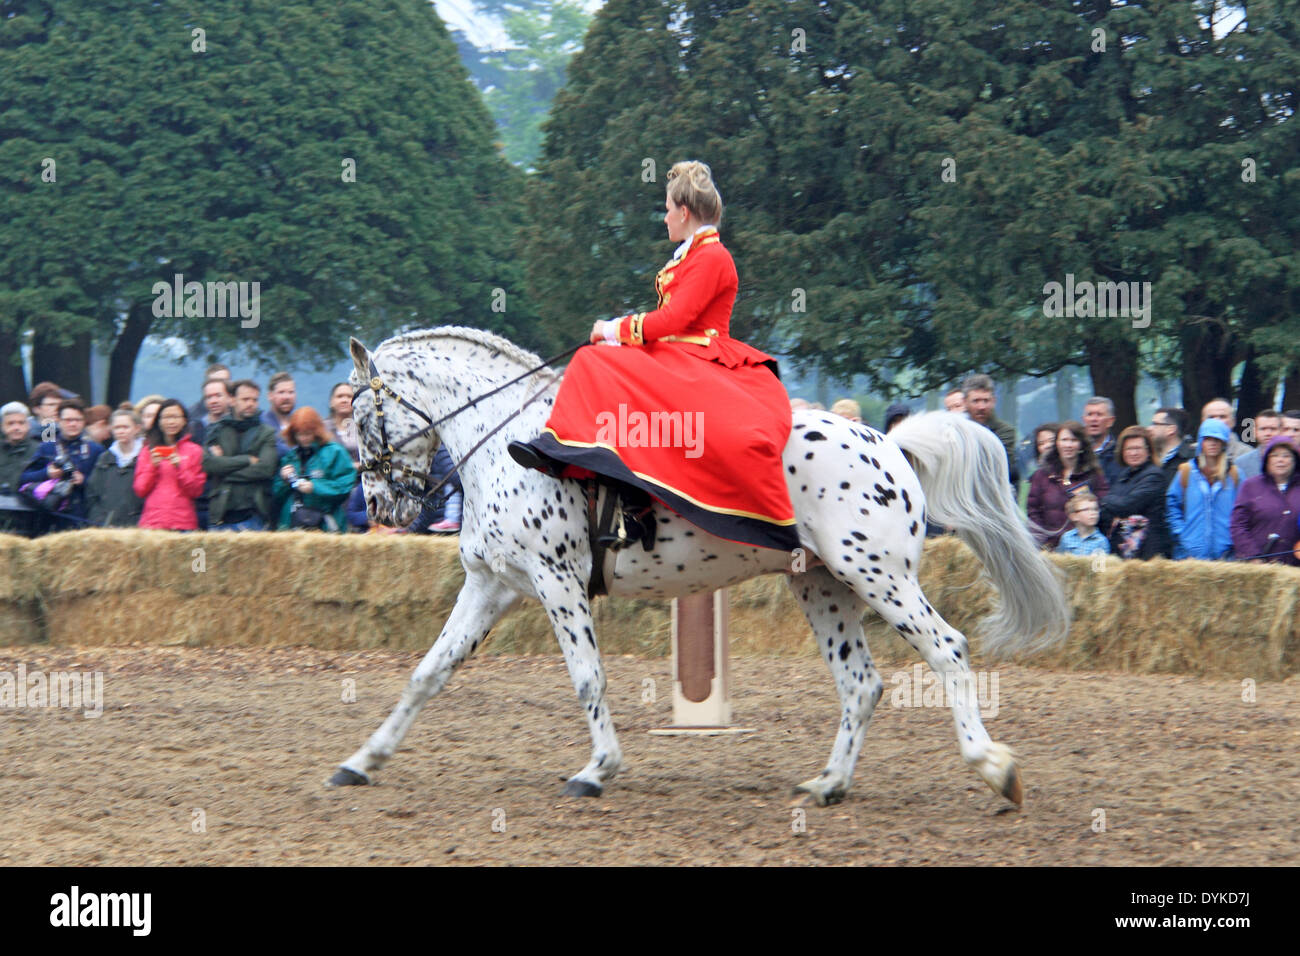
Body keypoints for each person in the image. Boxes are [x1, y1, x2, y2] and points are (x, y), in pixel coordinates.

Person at [507, 161, 798, 552]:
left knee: (594, 360)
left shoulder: (713, 257)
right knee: (602, 361)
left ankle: (560, 449)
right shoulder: (693, 254)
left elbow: (675, 319)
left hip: (698, 359)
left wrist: (612, 329)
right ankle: (630, 497)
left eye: (667, 209)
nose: (664, 218)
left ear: (684, 212)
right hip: (676, 355)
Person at [203, 379, 279, 531]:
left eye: (254, 400)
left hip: (253, 512)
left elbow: (265, 469)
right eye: (245, 399)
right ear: (232, 400)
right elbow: (208, 464)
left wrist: (224, 470)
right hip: (220, 512)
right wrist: (247, 460)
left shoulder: (266, 432)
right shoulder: (216, 431)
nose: (250, 404)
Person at [19, 399, 104, 529]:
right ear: (58, 420)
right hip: (51, 519)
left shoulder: (95, 450)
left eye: (78, 420)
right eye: (68, 420)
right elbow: (24, 478)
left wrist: (83, 481)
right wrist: (47, 473)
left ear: (84, 422)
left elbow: (105, 486)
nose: (73, 424)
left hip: (83, 518)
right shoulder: (47, 447)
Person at [270, 407, 357, 532]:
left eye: (307, 433)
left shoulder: (334, 452)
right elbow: (277, 494)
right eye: (299, 434)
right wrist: (283, 480)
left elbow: (345, 486)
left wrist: (315, 487)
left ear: (317, 431)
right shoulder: (290, 457)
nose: (303, 438)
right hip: (292, 523)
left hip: (326, 523)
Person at [1026, 420, 1108, 548]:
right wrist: (1042, 540)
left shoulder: (1093, 475)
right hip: (1048, 546)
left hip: (1084, 547)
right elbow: (1033, 510)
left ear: (1081, 444)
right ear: (1057, 443)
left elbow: (1102, 506)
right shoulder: (1041, 475)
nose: (1068, 445)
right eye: (1064, 440)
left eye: (1073, 440)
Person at [1166, 419, 1240, 560]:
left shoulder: (1235, 474)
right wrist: (1182, 535)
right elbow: (1172, 506)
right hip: (1190, 557)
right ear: (1201, 442)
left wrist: (1233, 541)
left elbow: (1243, 512)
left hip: (1227, 557)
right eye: (1208, 439)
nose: (1213, 443)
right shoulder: (1186, 471)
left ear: (1224, 443)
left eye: (1217, 439)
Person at [1099, 425, 1170, 559]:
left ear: (1148, 451)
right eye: (1129, 449)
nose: (1133, 453)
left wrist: (1104, 500)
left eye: (1138, 448)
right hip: (1124, 547)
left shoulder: (1154, 475)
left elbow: (1126, 506)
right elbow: (1111, 508)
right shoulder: (1124, 474)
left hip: (1147, 550)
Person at [133, 400, 205, 530]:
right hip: (152, 522)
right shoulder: (148, 450)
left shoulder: (195, 450)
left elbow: (196, 491)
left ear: (184, 421)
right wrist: (152, 467)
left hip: (183, 522)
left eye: (176, 417)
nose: (171, 422)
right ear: (159, 421)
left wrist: (180, 467)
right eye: (166, 417)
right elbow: (140, 489)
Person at [1229, 437, 1300, 564]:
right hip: (1258, 566)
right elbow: (1238, 525)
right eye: (1275, 455)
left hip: (1294, 566)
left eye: (1286, 456)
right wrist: (1252, 556)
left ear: (1295, 461)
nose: (1280, 460)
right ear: (1267, 460)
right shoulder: (1251, 486)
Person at [86, 409, 145, 527]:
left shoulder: (145, 457)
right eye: (117, 427)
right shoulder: (104, 458)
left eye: (125, 427)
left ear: (137, 428)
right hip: (106, 527)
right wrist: (99, 519)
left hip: (136, 528)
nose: (121, 431)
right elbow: (92, 493)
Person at [962, 374, 1018, 484]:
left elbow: (998, 466)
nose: (981, 407)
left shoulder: (1006, 431)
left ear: (993, 401)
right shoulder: (955, 431)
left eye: (986, 401)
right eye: (976, 401)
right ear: (965, 402)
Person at [1055, 491, 1109, 557]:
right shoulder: (1066, 537)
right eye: (1086, 509)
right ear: (1074, 516)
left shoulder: (1101, 541)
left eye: (1095, 509)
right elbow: (1059, 560)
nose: (1093, 513)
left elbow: (1102, 563)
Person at [1233, 409, 1282, 481]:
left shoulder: (1291, 462)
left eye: (1273, 429)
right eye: (1263, 429)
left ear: (1281, 431)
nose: (1268, 433)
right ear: (1254, 431)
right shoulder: (1241, 463)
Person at [1082, 397, 1121, 485]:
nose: (1093, 419)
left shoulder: (1120, 453)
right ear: (1084, 420)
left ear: (1110, 421)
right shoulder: (1076, 452)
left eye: (1099, 414)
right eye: (1089, 414)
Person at [1201, 397, 1253, 462]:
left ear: (1233, 421)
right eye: (1211, 417)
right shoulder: (1192, 453)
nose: (1217, 421)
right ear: (1202, 422)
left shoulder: (1247, 455)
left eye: (1222, 417)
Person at [1151, 406, 1194, 481]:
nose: (1149, 429)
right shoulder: (1149, 457)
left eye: (1155, 424)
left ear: (1171, 429)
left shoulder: (1192, 458)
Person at [263, 372, 297, 458]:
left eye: (291, 392)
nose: (287, 397)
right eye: (281, 392)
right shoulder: (262, 423)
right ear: (270, 396)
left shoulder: (300, 423)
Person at [325, 382, 359, 464]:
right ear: (331, 402)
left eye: (349, 396)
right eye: (340, 396)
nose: (344, 400)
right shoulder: (322, 428)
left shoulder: (362, 428)